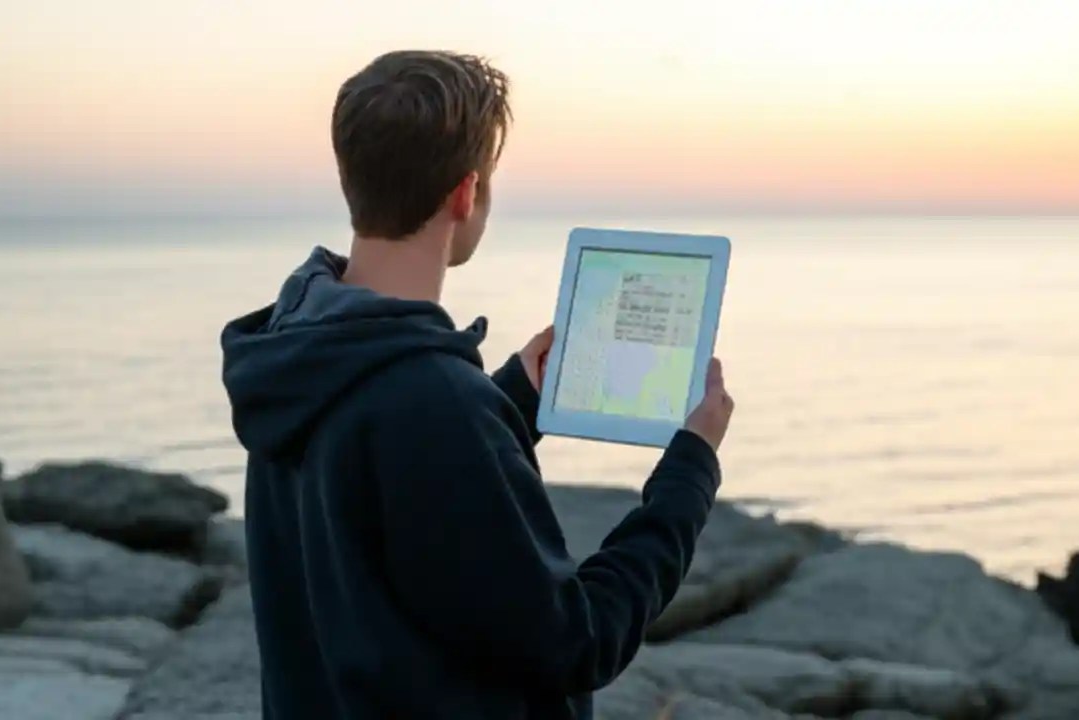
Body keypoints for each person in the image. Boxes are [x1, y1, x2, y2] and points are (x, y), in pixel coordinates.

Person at [220, 50, 735, 720]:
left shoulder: (297, 346)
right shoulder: (431, 402)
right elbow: (576, 641)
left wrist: (514, 396)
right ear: (465, 194)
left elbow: (395, 494)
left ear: (353, 177)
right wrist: (690, 474)